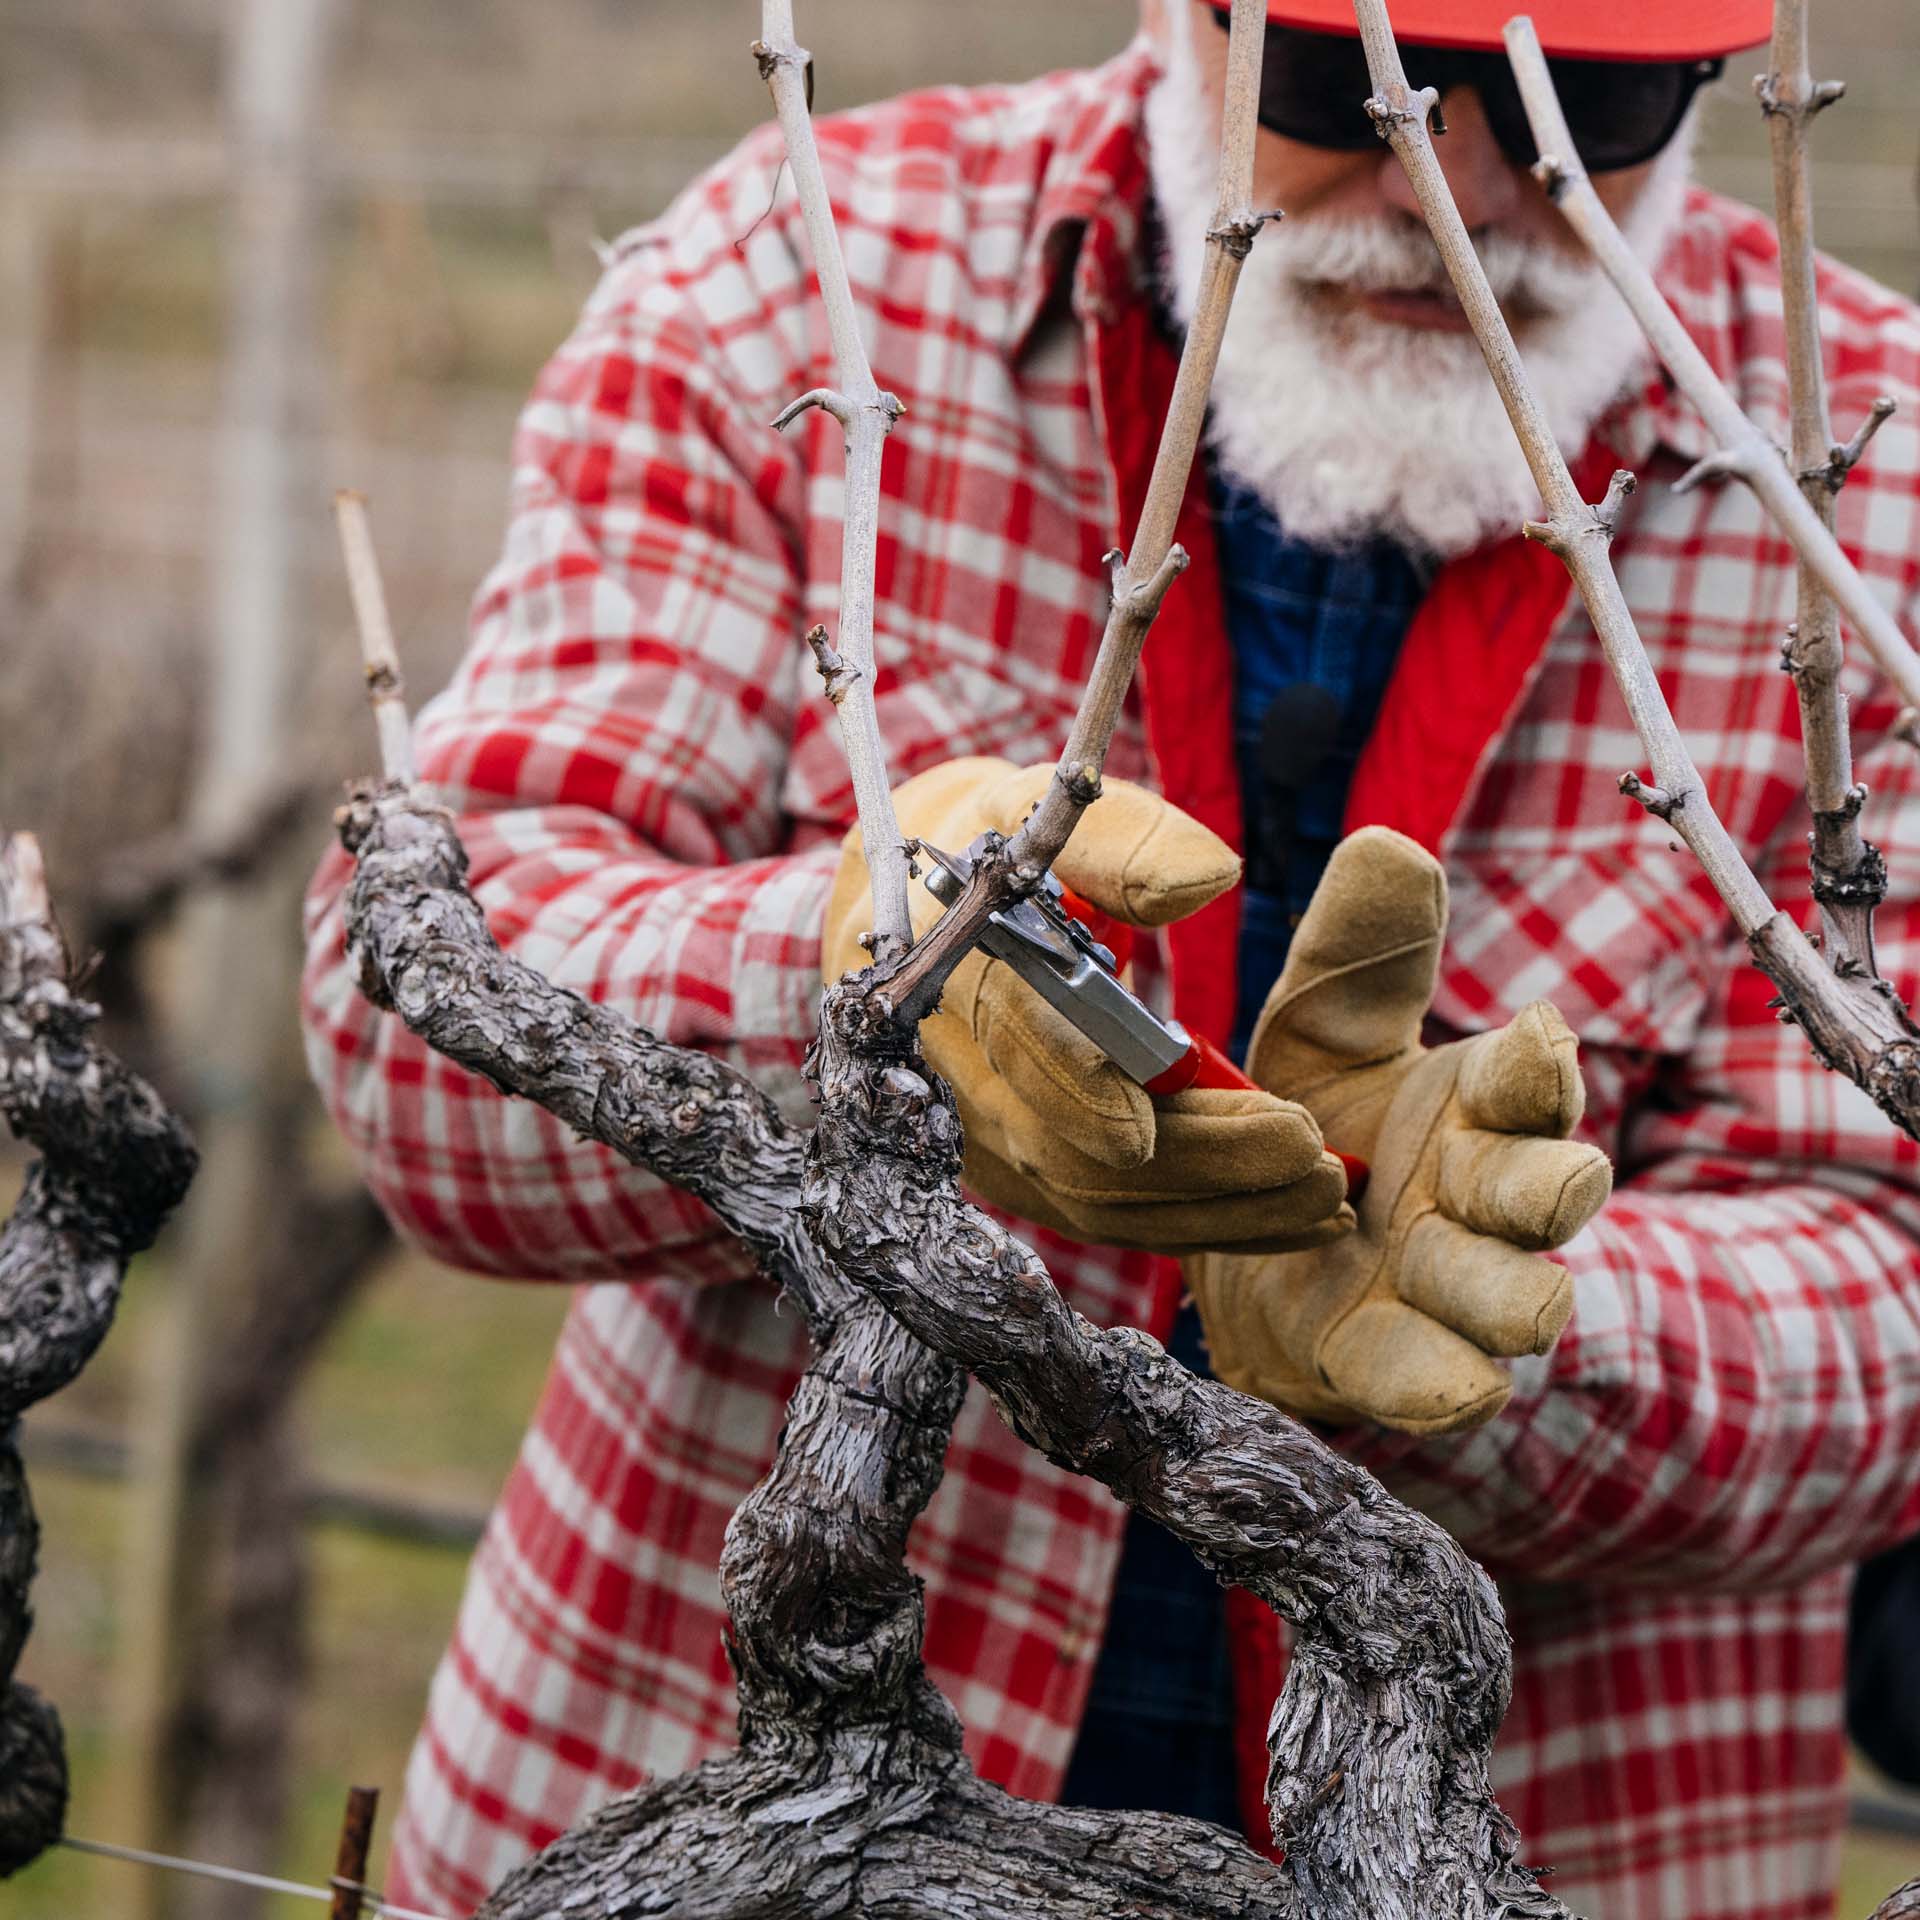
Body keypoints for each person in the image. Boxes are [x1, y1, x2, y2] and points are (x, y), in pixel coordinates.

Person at [300, 1, 1920, 1915]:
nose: (1458, 183)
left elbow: (1887, 1292)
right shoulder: (805, 285)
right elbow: (409, 1033)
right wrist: (849, 991)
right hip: (734, 1812)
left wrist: (1501, 1307)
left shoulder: (1871, 486)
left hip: (1545, 1839)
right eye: (1349, 82)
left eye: (1592, 98)